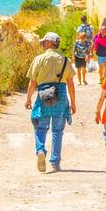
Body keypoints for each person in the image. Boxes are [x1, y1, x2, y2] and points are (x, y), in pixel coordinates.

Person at [25, 31, 76, 174]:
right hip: (61, 96)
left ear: (48, 43)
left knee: (41, 127)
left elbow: (33, 82)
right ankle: (55, 161)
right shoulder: (65, 60)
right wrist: (73, 102)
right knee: (58, 130)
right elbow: (71, 83)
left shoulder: (39, 59)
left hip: (43, 95)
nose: (42, 44)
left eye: (44, 42)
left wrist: (28, 98)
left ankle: (40, 150)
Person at [92, 18, 106, 85]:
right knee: (101, 67)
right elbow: (93, 44)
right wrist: (92, 53)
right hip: (99, 54)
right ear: (100, 30)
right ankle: (101, 78)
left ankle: (105, 79)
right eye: (102, 29)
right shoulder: (97, 36)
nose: (103, 31)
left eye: (105, 29)